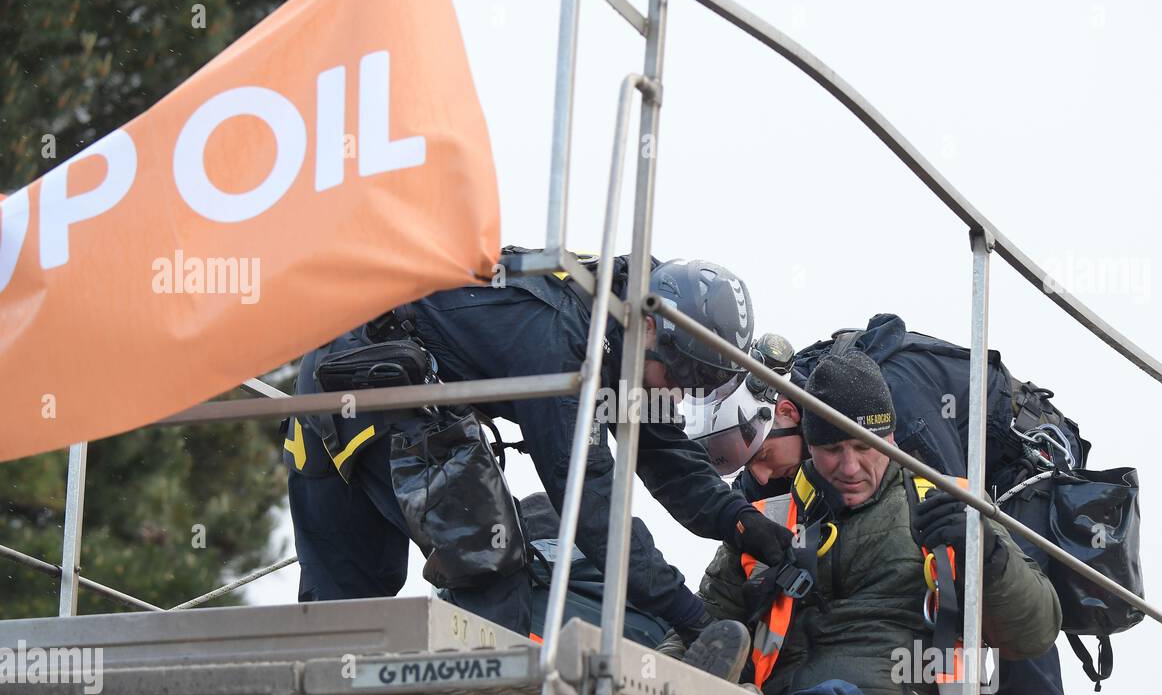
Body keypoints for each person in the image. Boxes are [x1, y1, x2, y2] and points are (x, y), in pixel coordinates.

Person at [282, 251, 795, 646]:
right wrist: (691, 617)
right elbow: (592, 510)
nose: (684, 392)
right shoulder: (563, 345)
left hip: (335, 377)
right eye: (687, 374)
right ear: (650, 327)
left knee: (346, 604)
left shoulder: (618, 322)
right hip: (377, 385)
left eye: (705, 382)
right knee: (490, 574)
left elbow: (666, 458)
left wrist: (739, 521)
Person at [696, 350, 1062, 695]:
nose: (850, 466)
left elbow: (1035, 631)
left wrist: (987, 555)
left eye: (863, 446)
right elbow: (701, 626)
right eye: (833, 449)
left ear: (890, 438)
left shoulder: (949, 506)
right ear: (810, 446)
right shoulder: (766, 522)